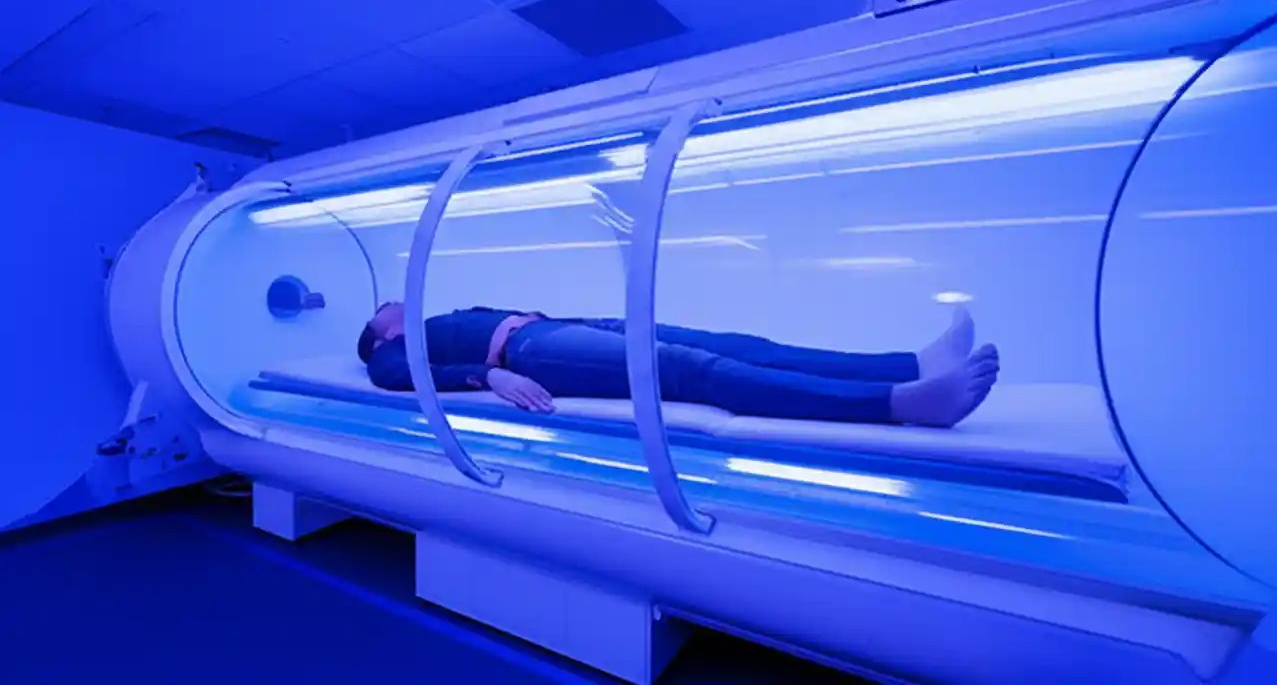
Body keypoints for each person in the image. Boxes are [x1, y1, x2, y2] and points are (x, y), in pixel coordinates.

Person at [357, 303, 999, 428]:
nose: (399, 304)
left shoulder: (428, 319)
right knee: (694, 369)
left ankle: (909, 363)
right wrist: (486, 374)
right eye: (390, 308)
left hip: (559, 327)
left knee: (736, 342)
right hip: (528, 353)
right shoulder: (389, 351)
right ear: (379, 329)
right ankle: (898, 405)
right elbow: (389, 379)